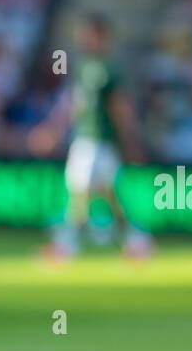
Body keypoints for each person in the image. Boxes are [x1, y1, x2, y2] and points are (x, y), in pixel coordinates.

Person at [29, 14, 150, 260]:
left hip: (101, 141)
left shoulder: (109, 69)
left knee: (81, 192)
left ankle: (66, 246)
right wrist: (54, 131)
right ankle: (136, 240)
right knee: (103, 195)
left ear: (103, 37)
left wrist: (131, 141)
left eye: (92, 35)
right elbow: (74, 105)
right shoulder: (83, 67)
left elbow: (120, 108)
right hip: (84, 139)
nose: (86, 39)